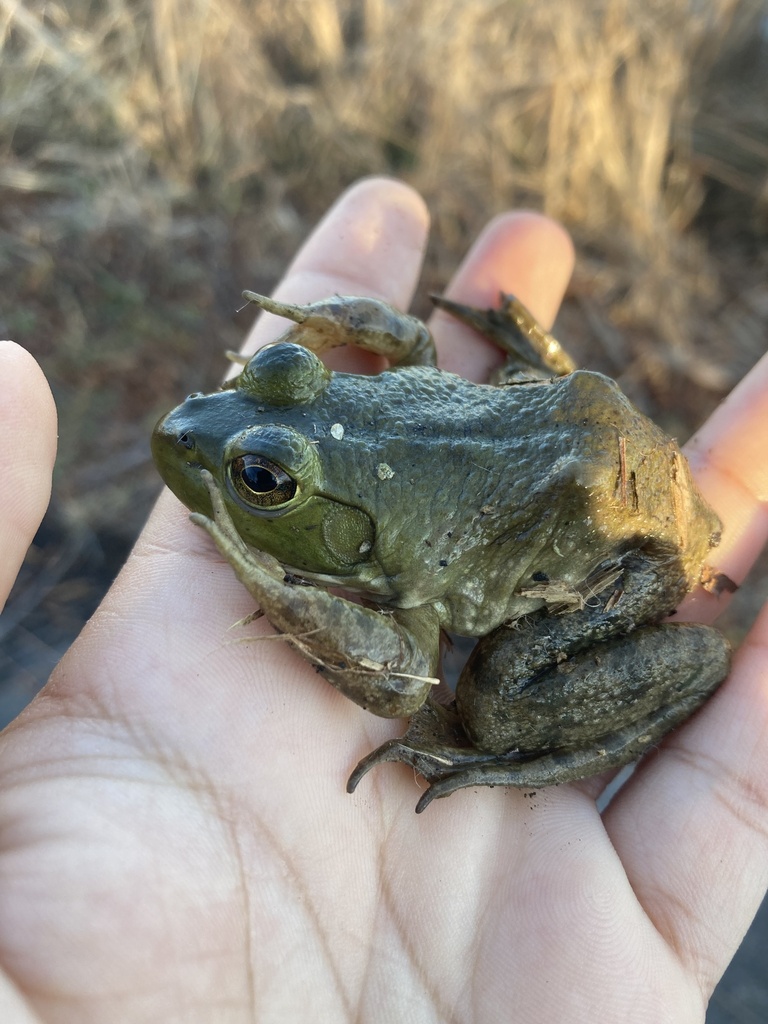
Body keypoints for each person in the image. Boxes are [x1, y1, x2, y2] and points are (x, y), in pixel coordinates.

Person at [0, 177, 766, 1023]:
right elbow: (407, 339)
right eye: (283, 369)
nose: (196, 424)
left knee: (495, 709)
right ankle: (518, 384)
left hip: (627, 573)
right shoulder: (370, 382)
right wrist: (316, 335)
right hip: (588, 438)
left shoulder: (404, 556)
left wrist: (280, 593)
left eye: (262, 480)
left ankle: (529, 742)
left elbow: (405, 680)